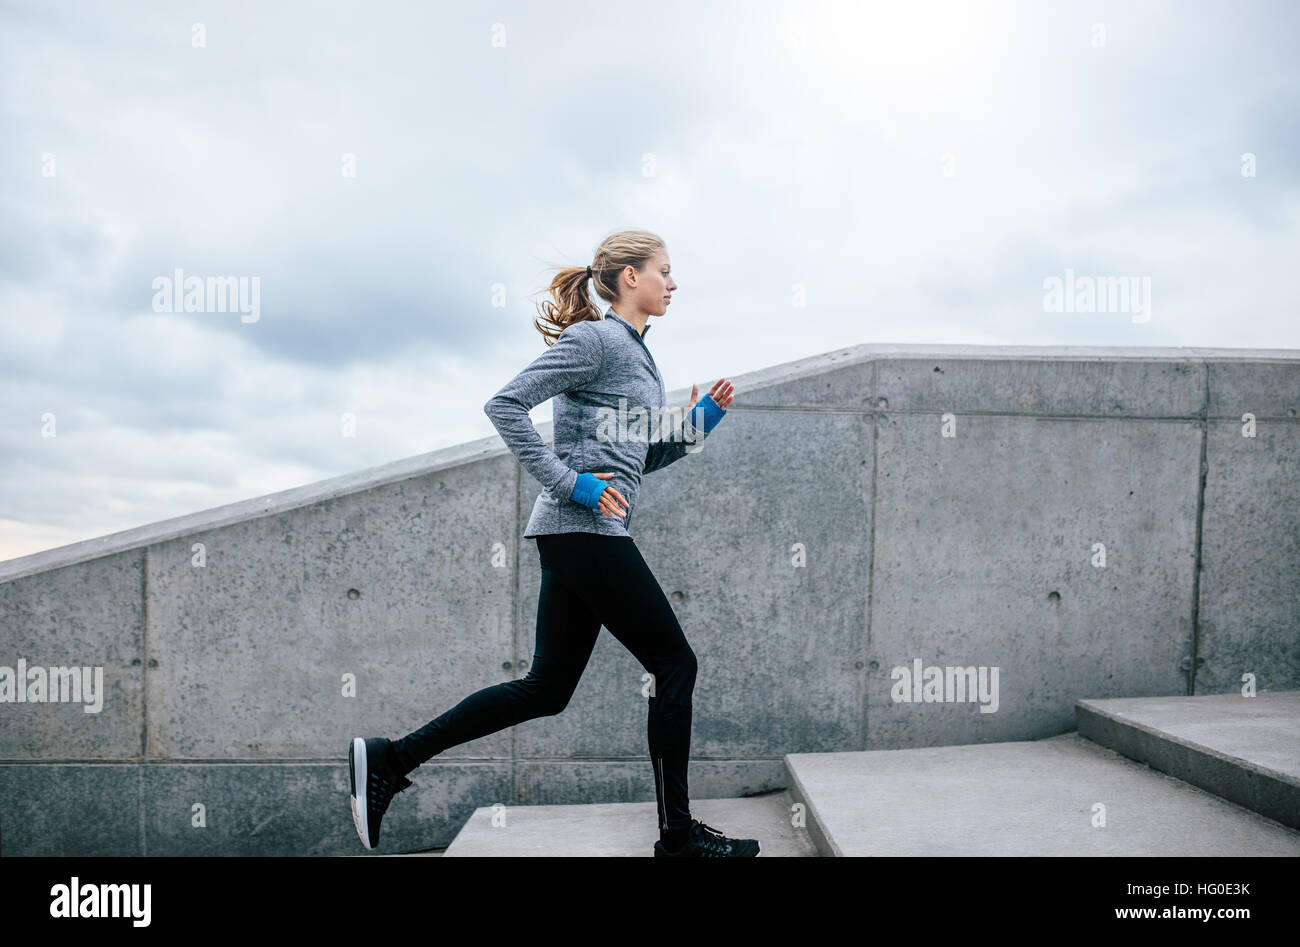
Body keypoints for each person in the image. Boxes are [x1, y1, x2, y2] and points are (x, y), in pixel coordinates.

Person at [349, 228, 759, 857]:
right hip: (583, 530)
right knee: (675, 664)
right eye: (665, 272)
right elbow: (505, 405)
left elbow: (632, 462)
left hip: (580, 533)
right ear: (630, 277)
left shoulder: (640, 357)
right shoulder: (595, 339)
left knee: (547, 689)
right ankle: (677, 837)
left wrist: (698, 427)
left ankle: (392, 758)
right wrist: (574, 485)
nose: (674, 284)